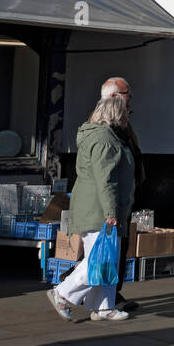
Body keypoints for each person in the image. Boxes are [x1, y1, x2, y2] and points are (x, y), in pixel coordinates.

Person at [46, 95, 135, 322]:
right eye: (126, 113)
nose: (128, 118)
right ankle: (62, 293)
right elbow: (105, 180)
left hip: (95, 206)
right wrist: (110, 213)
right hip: (98, 209)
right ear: (117, 115)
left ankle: (103, 307)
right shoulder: (105, 139)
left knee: (107, 258)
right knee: (98, 259)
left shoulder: (102, 135)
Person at [100, 76, 145, 313]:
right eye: (128, 93)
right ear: (115, 96)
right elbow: (105, 170)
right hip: (112, 200)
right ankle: (67, 288)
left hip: (125, 196)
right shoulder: (105, 126)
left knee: (121, 247)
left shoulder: (124, 123)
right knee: (105, 250)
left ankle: (112, 294)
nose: (131, 97)